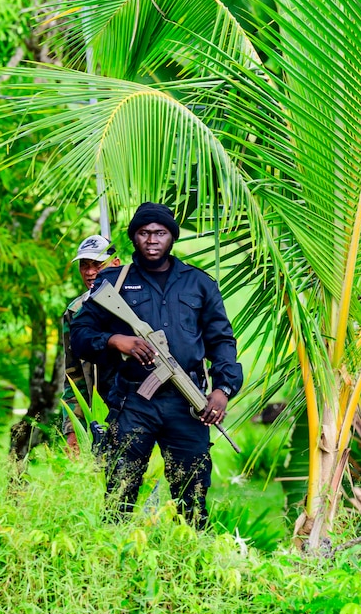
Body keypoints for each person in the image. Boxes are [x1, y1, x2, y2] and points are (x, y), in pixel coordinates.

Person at [70, 203, 242, 528]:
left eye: (160, 233)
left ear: (171, 238)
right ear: (134, 238)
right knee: (120, 493)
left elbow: (222, 341)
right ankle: (113, 563)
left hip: (187, 403)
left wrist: (222, 391)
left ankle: (190, 566)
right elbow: (80, 335)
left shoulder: (199, 284)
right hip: (133, 400)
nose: (152, 240)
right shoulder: (112, 283)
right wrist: (116, 341)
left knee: (191, 498)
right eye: (144, 233)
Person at [61, 234, 120, 454]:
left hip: (139, 410)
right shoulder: (75, 311)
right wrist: (72, 429)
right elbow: (72, 374)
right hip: (98, 412)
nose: (89, 272)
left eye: (97, 264)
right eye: (84, 266)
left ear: (115, 263)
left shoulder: (137, 300)